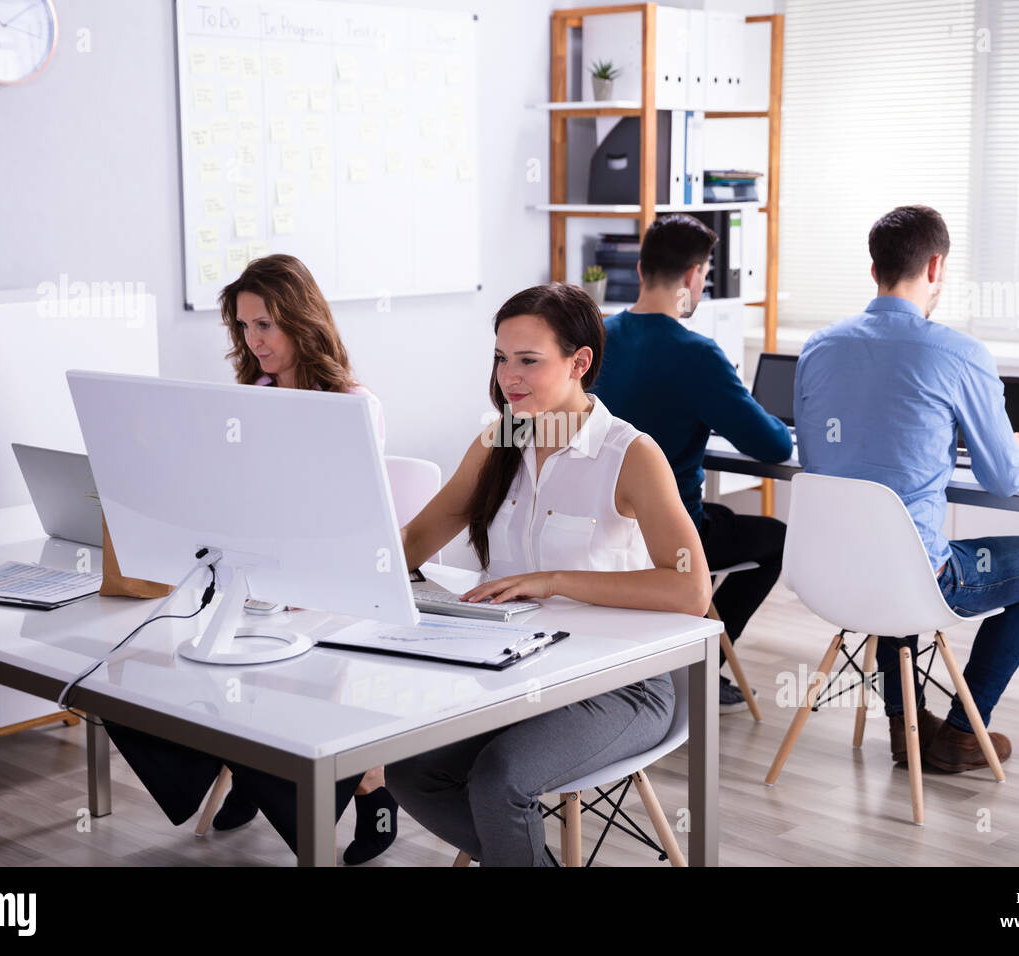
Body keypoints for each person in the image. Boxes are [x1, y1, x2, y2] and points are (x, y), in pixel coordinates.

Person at [385, 283, 711, 866]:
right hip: (512, 672)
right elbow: (413, 540)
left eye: (529, 360)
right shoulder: (498, 442)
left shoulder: (629, 454)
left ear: (579, 362)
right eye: (501, 359)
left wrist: (554, 579)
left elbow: (691, 589)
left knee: (498, 781)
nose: (510, 376)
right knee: (411, 772)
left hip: (621, 686)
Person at [103, 254, 398, 864]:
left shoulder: (351, 405)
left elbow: (348, 522)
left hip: (327, 590)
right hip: (254, 584)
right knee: (131, 680)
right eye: (243, 327)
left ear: (301, 319)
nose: (253, 340)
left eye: (265, 324)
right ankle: (248, 766)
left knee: (267, 663)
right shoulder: (252, 398)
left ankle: (368, 786)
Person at [793, 204, 1019, 772]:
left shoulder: (819, 347)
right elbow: (1003, 480)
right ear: (936, 267)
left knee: (895, 551)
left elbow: (818, 453)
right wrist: (1008, 447)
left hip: (830, 574)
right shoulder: (958, 354)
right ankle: (964, 733)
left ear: (875, 270)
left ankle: (905, 728)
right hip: (914, 579)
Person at [592, 214, 793, 714]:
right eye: (704, 275)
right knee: (776, 538)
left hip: (599, 531)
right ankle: (700, 661)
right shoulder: (697, 354)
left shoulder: (594, 339)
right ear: (692, 277)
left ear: (640, 270)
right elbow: (771, 445)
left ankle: (678, 653)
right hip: (673, 539)